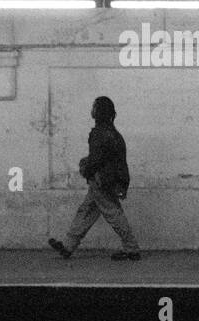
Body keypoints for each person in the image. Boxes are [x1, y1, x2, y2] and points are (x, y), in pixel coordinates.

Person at [48, 96, 141, 261]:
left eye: (94, 107)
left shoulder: (99, 133)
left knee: (112, 213)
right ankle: (68, 246)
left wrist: (84, 166)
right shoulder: (112, 133)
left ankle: (132, 248)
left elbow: (96, 160)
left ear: (98, 112)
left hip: (102, 182)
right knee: (86, 211)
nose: (92, 110)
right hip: (108, 181)